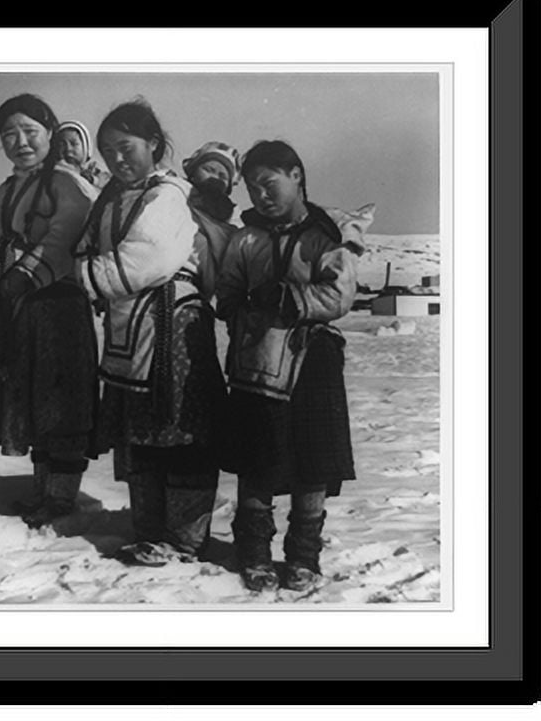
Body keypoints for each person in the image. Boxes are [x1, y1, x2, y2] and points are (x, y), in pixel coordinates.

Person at [76, 99, 226, 566]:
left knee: (178, 427)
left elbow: (152, 258)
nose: (116, 159)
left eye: (125, 147)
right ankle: (149, 528)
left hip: (172, 330)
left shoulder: (167, 196)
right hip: (131, 327)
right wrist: (87, 267)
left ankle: (184, 537)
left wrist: (85, 275)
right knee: (140, 430)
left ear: (154, 145)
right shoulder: (110, 199)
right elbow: (84, 246)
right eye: (106, 151)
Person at [215, 139, 359, 593]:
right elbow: (228, 292)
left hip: (312, 360)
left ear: (296, 175)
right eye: (252, 187)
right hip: (257, 362)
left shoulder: (325, 237)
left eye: (268, 182)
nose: (260, 195)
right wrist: (242, 307)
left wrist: (292, 299)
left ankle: (303, 557)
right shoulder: (246, 240)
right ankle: (254, 553)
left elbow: (340, 295)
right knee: (257, 459)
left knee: (312, 463)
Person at [0, 93, 100, 528]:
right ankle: (43, 491)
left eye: (30, 132)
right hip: (18, 311)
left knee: (60, 401)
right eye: (9, 134)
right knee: (32, 400)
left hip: (57, 307)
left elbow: (66, 234)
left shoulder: (65, 182)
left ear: (50, 133)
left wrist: (25, 271)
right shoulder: (4, 192)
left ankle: (61, 498)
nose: (20, 142)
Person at [182, 141, 242, 298]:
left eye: (222, 176)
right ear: (193, 172)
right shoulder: (176, 192)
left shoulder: (233, 216)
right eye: (209, 170)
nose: (215, 178)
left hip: (198, 291)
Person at [55, 120, 111, 189]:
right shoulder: (59, 171)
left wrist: (94, 180)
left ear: (86, 146)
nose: (68, 149)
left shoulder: (96, 167)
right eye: (62, 144)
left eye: (74, 144)